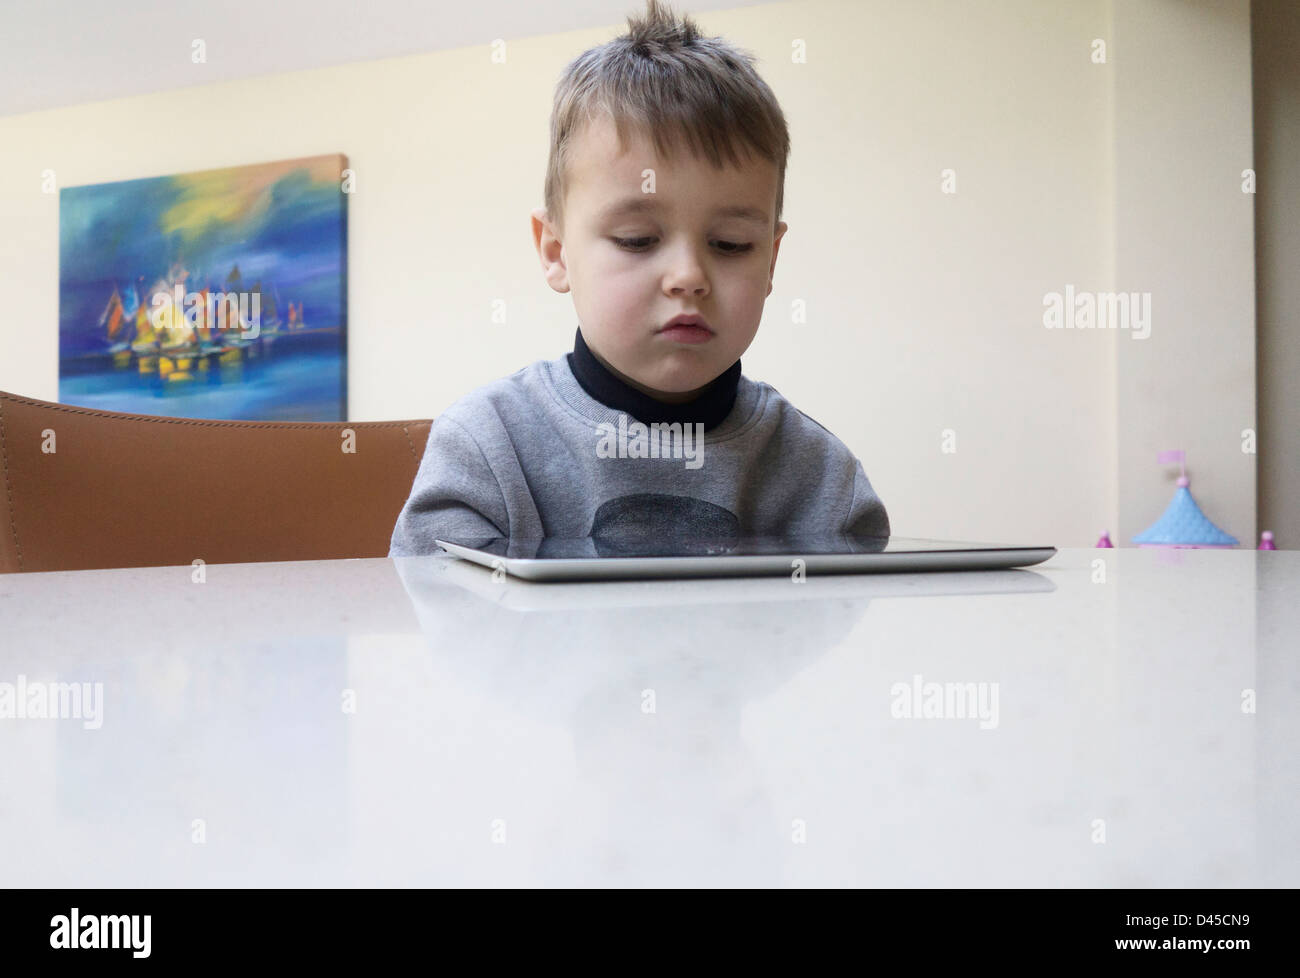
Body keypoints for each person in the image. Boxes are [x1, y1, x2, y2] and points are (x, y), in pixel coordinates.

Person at [389, 0, 889, 555]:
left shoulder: (821, 476)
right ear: (556, 252)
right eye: (637, 240)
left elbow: (855, 634)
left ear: (770, 260)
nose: (688, 277)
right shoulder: (486, 447)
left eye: (730, 245)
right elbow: (434, 627)